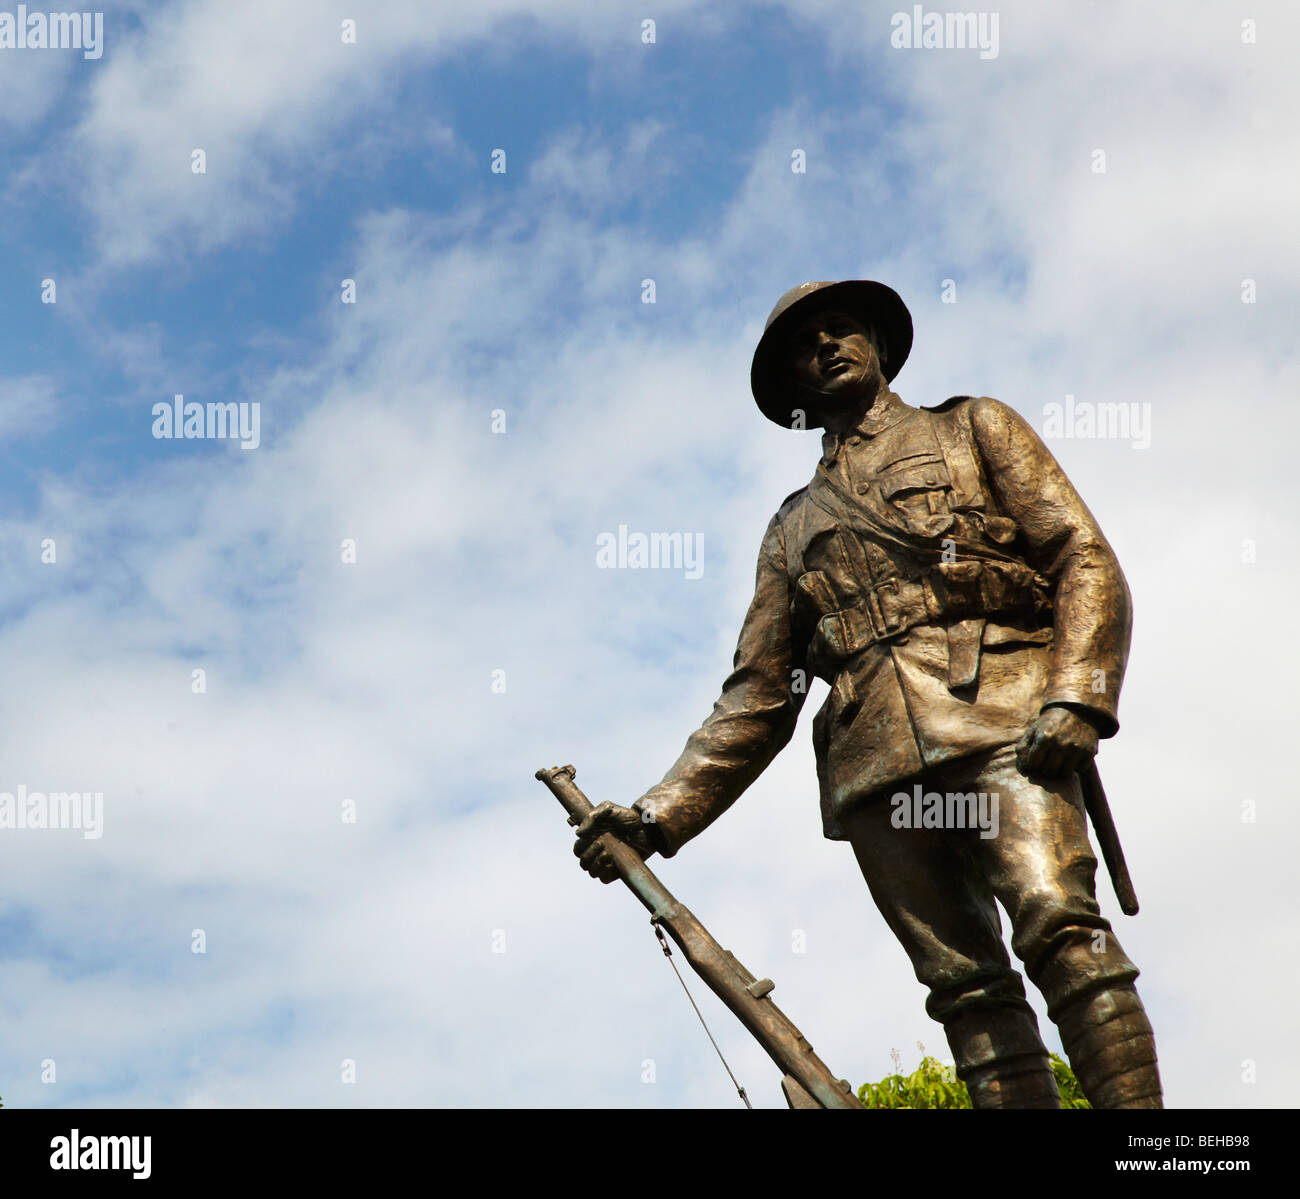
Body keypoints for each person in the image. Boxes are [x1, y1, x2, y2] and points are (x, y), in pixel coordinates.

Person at [575, 280, 1162, 1109]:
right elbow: (760, 696)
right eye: (803, 346)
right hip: (877, 770)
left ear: (879, 343)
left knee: (1061, 926)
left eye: (840, 328)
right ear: (793, 394)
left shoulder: (973, 426)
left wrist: (1079, 697)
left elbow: (1083, 558)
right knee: (966, 990)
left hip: (1002, 723)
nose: (825, 345)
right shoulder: (790, 528)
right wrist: (654, 815)